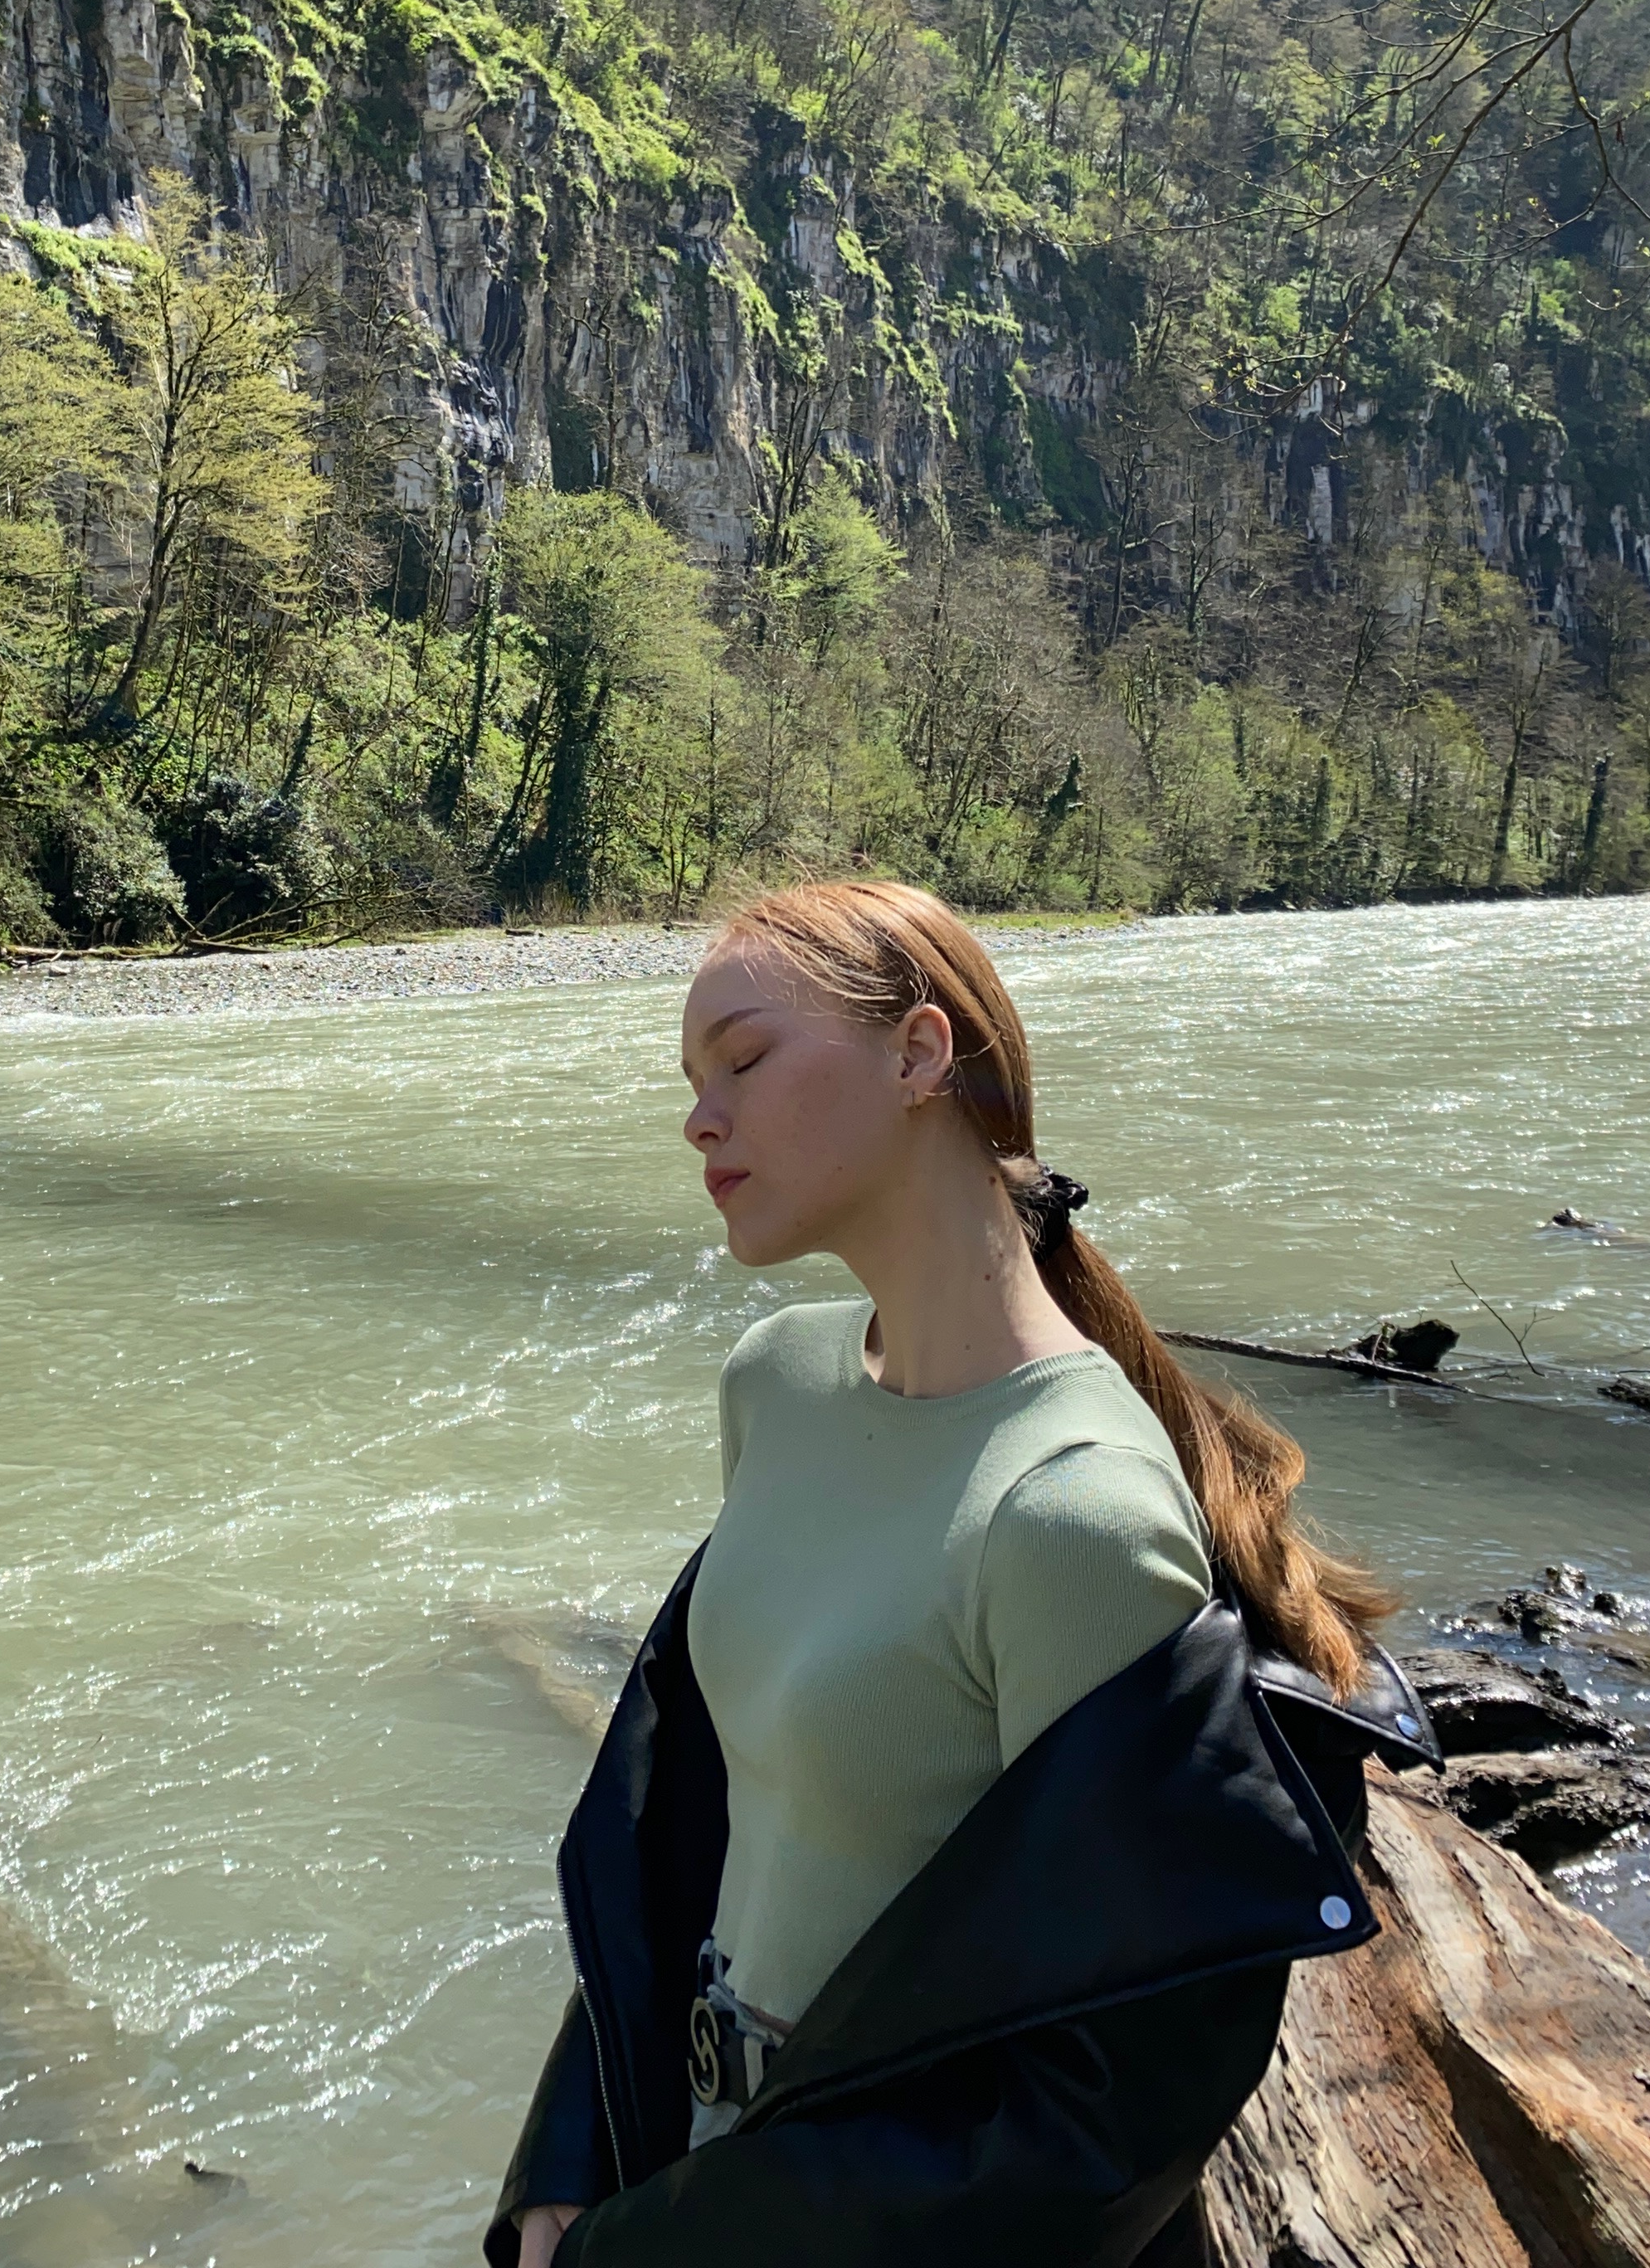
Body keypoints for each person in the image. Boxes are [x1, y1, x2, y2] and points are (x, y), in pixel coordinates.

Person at [489, 879, 1434, 2268]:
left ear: (920, 1055)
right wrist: (569, 2158)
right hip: (688, 2158)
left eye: (742, 1062)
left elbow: (1088, 2120)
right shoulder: (777, 1385)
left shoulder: (1076, 1516)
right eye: (693, 1083)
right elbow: (695, 1818)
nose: (700, 1118)